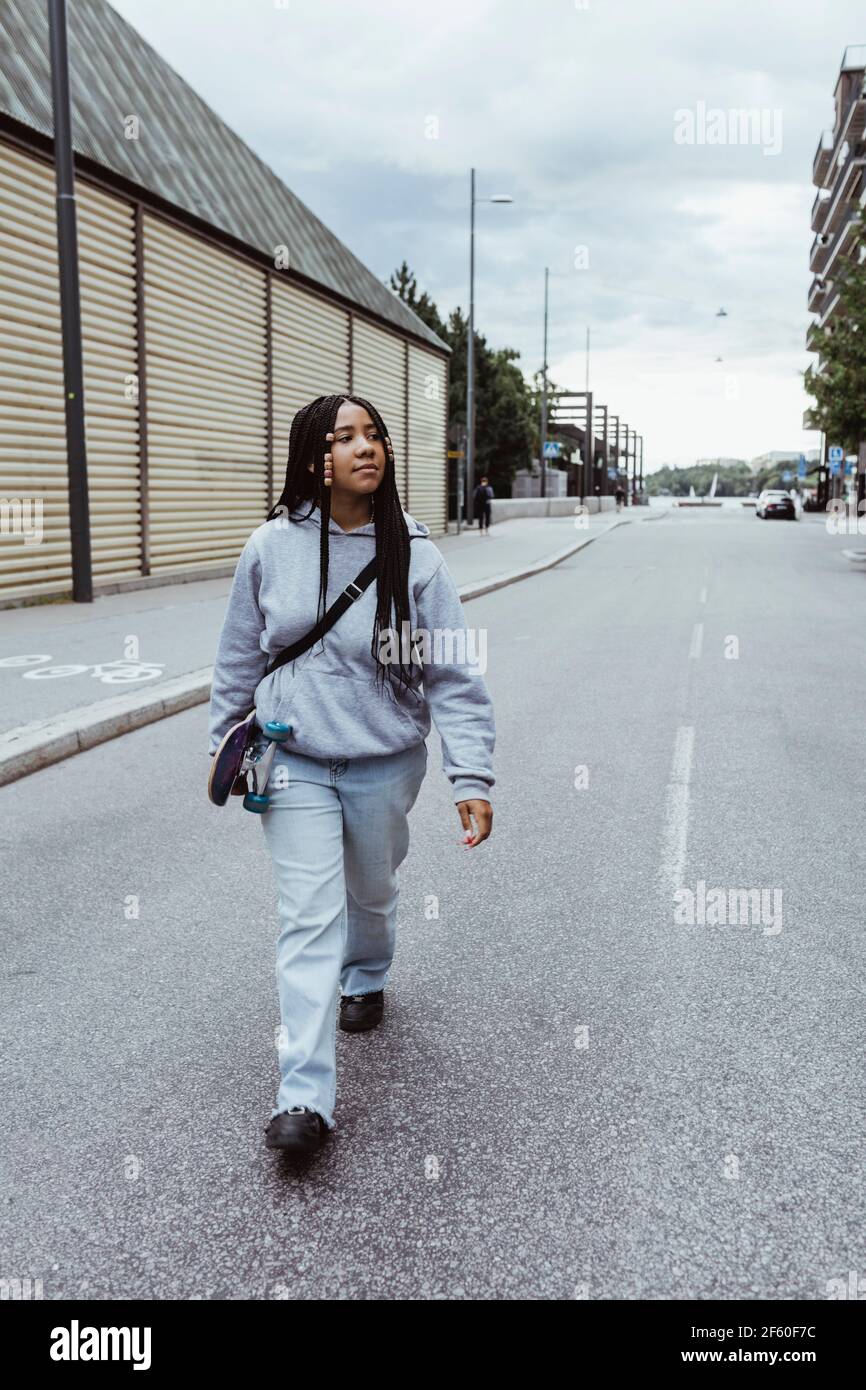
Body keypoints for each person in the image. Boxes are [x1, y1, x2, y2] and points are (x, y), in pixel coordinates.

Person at [208, 394, 495, 1157]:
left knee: (370, 889)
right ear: (316, 459)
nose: (366, 447)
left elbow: (453, 676)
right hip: (292, 758)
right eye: (346, 437)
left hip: (383, 762)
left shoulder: (416, 557)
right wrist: (224, 743)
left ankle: (365, 973)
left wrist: (471, 776)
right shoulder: (271, 547)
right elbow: (238, 654)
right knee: (307, 918)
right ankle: (304, 1097)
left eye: (375, 435)